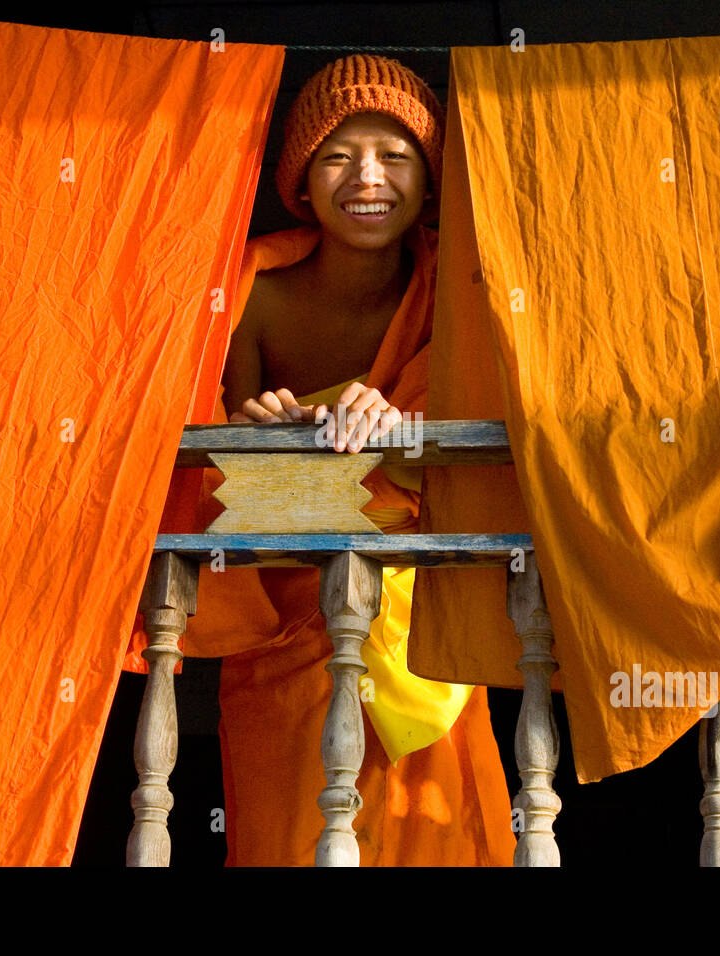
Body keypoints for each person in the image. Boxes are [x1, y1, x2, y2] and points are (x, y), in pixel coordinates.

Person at [170, 55, 515, 866]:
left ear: (430, 181)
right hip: (283, 621)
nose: (368, 177)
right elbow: (223, 466)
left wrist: (403, 425)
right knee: (284, 839)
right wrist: (267, 429)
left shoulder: (456, 287)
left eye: (395, 157)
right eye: (338, 155)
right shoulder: (252, 289)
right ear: (300, 178)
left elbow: (480, 423)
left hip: (416, 616)